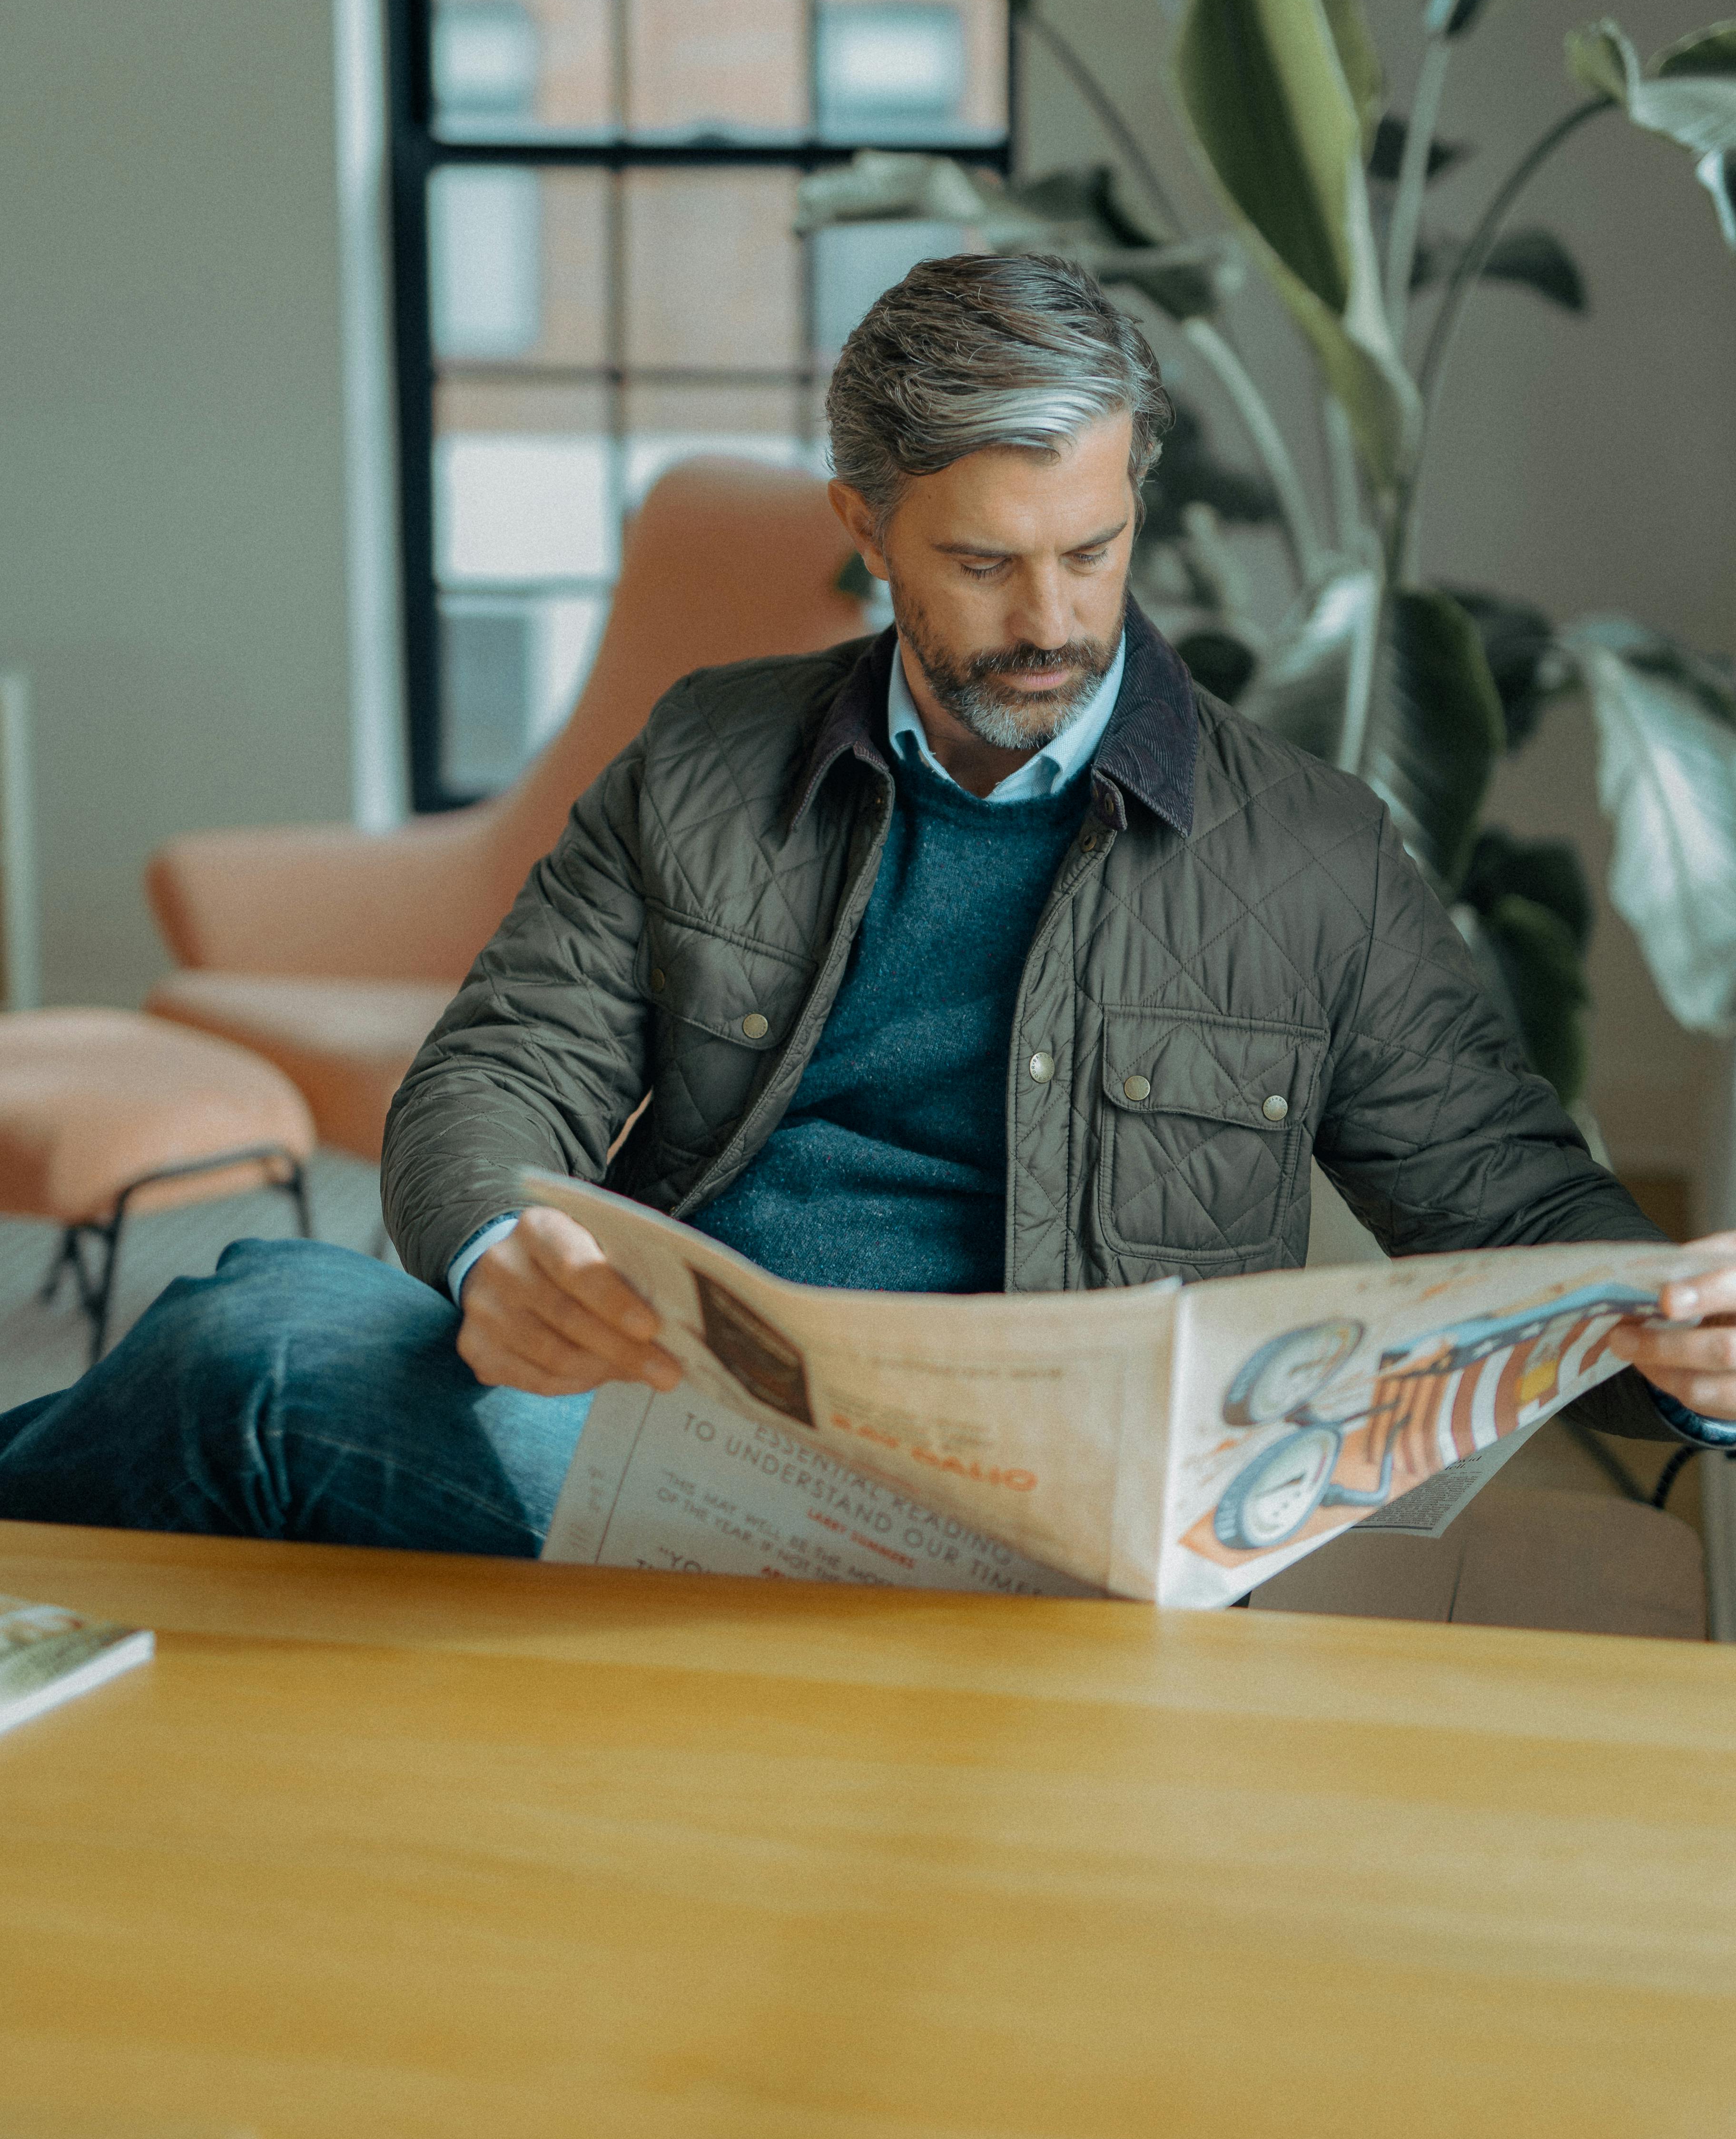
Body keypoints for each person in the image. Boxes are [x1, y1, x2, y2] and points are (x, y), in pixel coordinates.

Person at [2, 253, 1733, 1564]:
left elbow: (1511, 1199)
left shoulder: (1312, 852)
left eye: (1094, 550)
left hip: (1039, 1532)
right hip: (674, 1436)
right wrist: (495, 1252)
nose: (1053, 622)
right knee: (255, 1312)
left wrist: (1683, 1337)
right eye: (984, 563)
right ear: (869, 528)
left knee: (250, 1358)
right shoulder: (706, 755)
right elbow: (501, 1063)